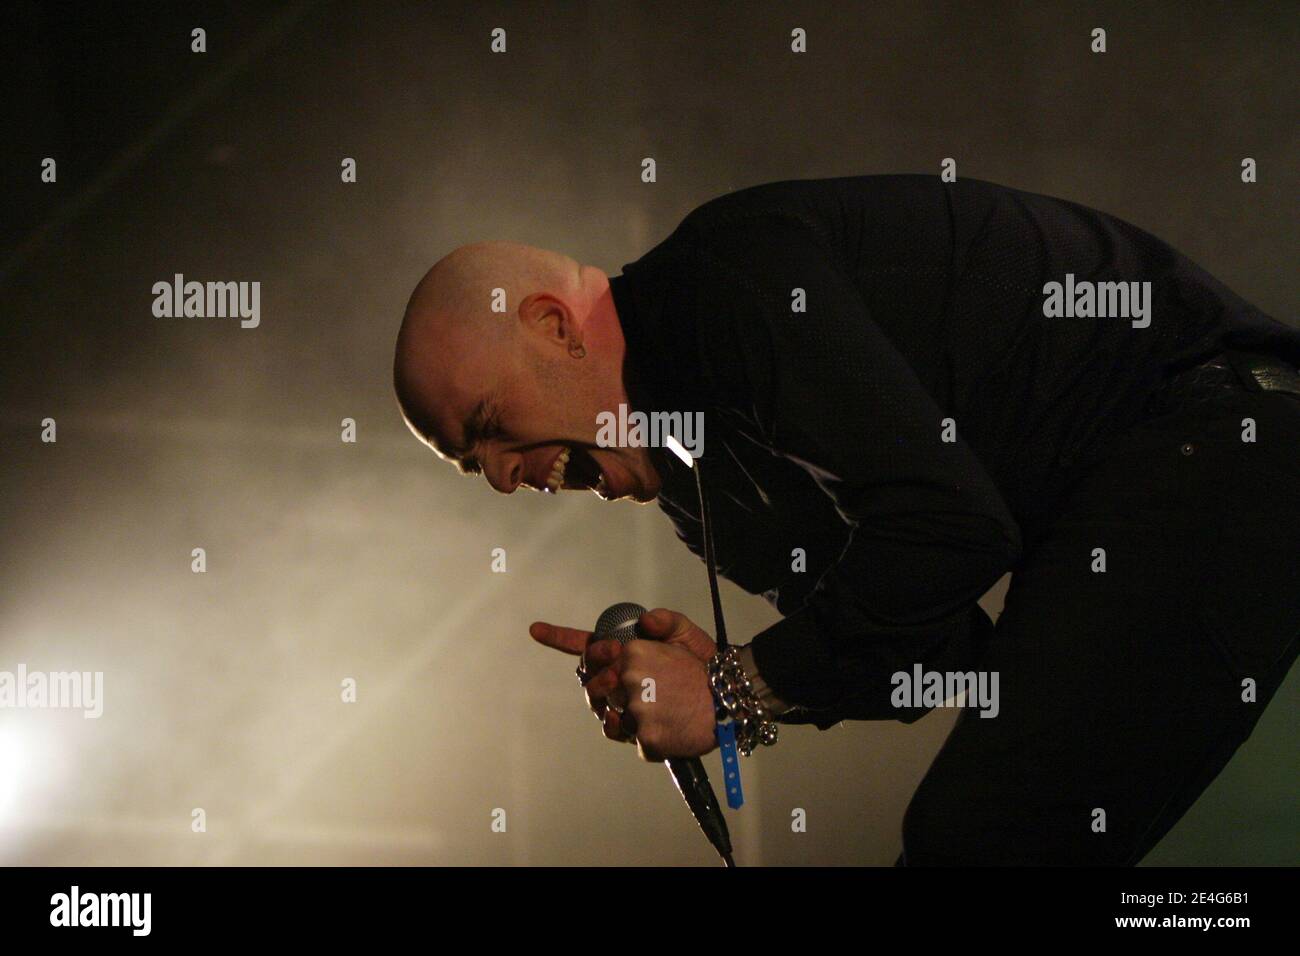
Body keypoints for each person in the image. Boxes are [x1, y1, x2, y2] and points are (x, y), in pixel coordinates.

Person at [392, 175, 1300, 864]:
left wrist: (738, 689)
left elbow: (952, 532)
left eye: (487, 429)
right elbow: (946, 653)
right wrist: (735, 686)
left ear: (555, 325)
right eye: (474, 466)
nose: (504, 481)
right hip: (1158, 494)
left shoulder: (721, 286)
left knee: (975, 836)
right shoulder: (700, 493)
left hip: (1219, 438)